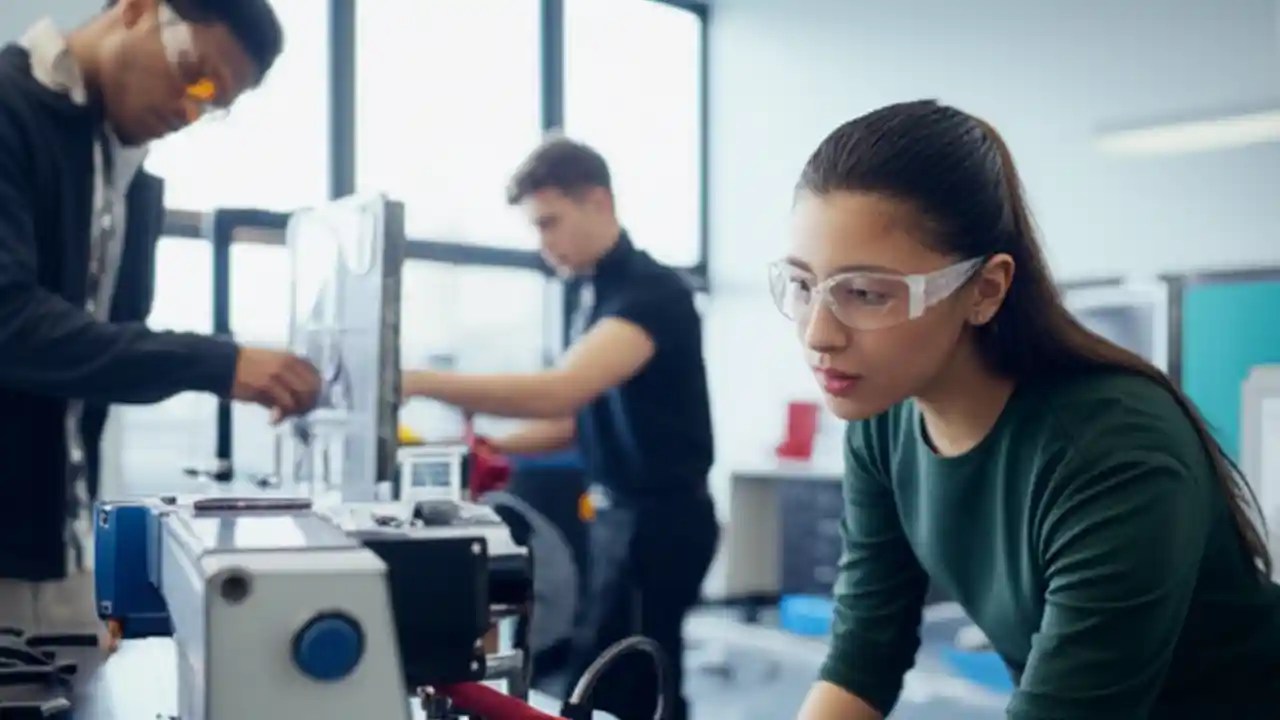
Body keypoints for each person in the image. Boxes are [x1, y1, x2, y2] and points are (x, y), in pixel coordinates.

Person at [783, 100, 1280, 719]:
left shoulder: (1113, 447)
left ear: (985, 290)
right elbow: (863, 655)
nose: (818, 334)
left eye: (864, 293)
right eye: (804, 286)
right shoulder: (883, 417)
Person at [0, 0, 320, 627]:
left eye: (213, 105)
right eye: (195, 78)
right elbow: (10, 323)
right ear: (139, 10)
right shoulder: (11, 109)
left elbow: (100, 351)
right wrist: (218, 362)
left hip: (57, 551)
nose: (189, 112)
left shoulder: (124, 174)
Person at [403, 137, 718, 720]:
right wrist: (486, 448)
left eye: (550, 222)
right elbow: (576, 422)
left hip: (662, 521)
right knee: (617, 677)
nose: (543, 244)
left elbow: (561, 388)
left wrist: (418, 381)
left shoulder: (651, 293)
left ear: (598, 201)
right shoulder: (590, 293)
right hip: (616, 516)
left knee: (628, 679)